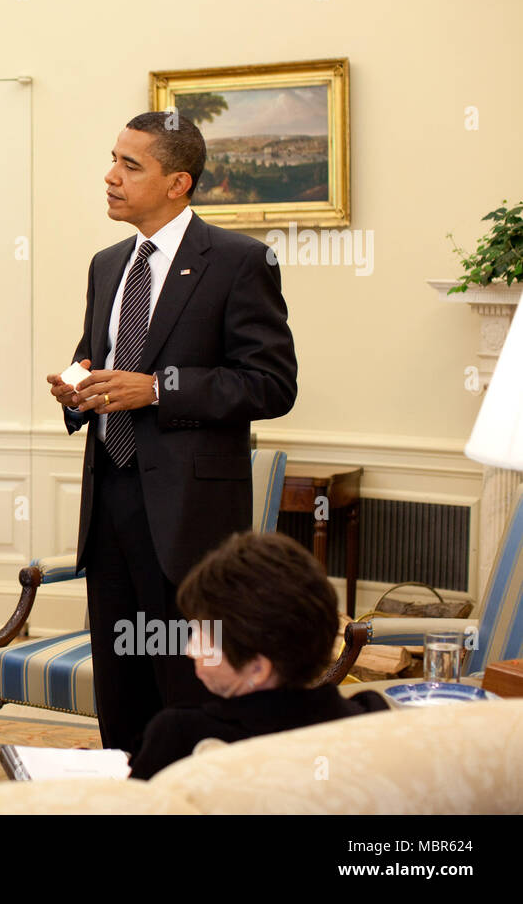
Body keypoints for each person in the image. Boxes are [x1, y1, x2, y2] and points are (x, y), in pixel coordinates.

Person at [47, 111, 298, 755]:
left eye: (131, 167)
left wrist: (159, 389)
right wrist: (77, 389)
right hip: (108, 511)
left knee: (186, 699)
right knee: (121, 696)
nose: (110, 176)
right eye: (113, 160)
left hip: (190, 523)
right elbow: (95, 355)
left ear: (178, 182)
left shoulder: (239, 262)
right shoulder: (107, 265)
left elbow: (271, 383)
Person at [129, 531, 389, 780]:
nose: (189, 649)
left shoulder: (181, 737)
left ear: (258, 668)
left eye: (203, 637)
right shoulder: (369, 718)